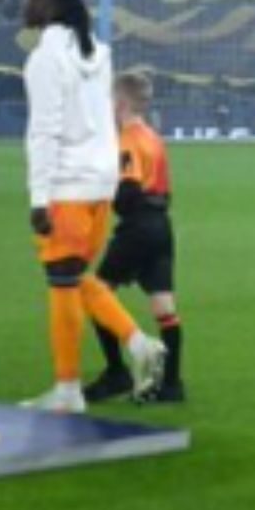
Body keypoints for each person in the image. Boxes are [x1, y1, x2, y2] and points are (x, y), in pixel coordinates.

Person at [20, 0, 166, 413]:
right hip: (99, 186)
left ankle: (81, 382)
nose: (26, 4)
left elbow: (43, 130)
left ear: (50, 3)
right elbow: (103, 120)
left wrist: (38, 197)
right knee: (75, 278)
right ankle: (133, 347)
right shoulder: (99, 53)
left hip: (65, 184)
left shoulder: (45, 59)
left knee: (62, 284)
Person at [84, 72, 186, 404]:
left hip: (138, 226)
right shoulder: (153, 137)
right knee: (164, 307)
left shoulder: (127, 139)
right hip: (161, 225)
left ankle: (117, 373)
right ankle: (171, 385)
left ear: (121, 103)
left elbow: (127, 192)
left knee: (96, 294)